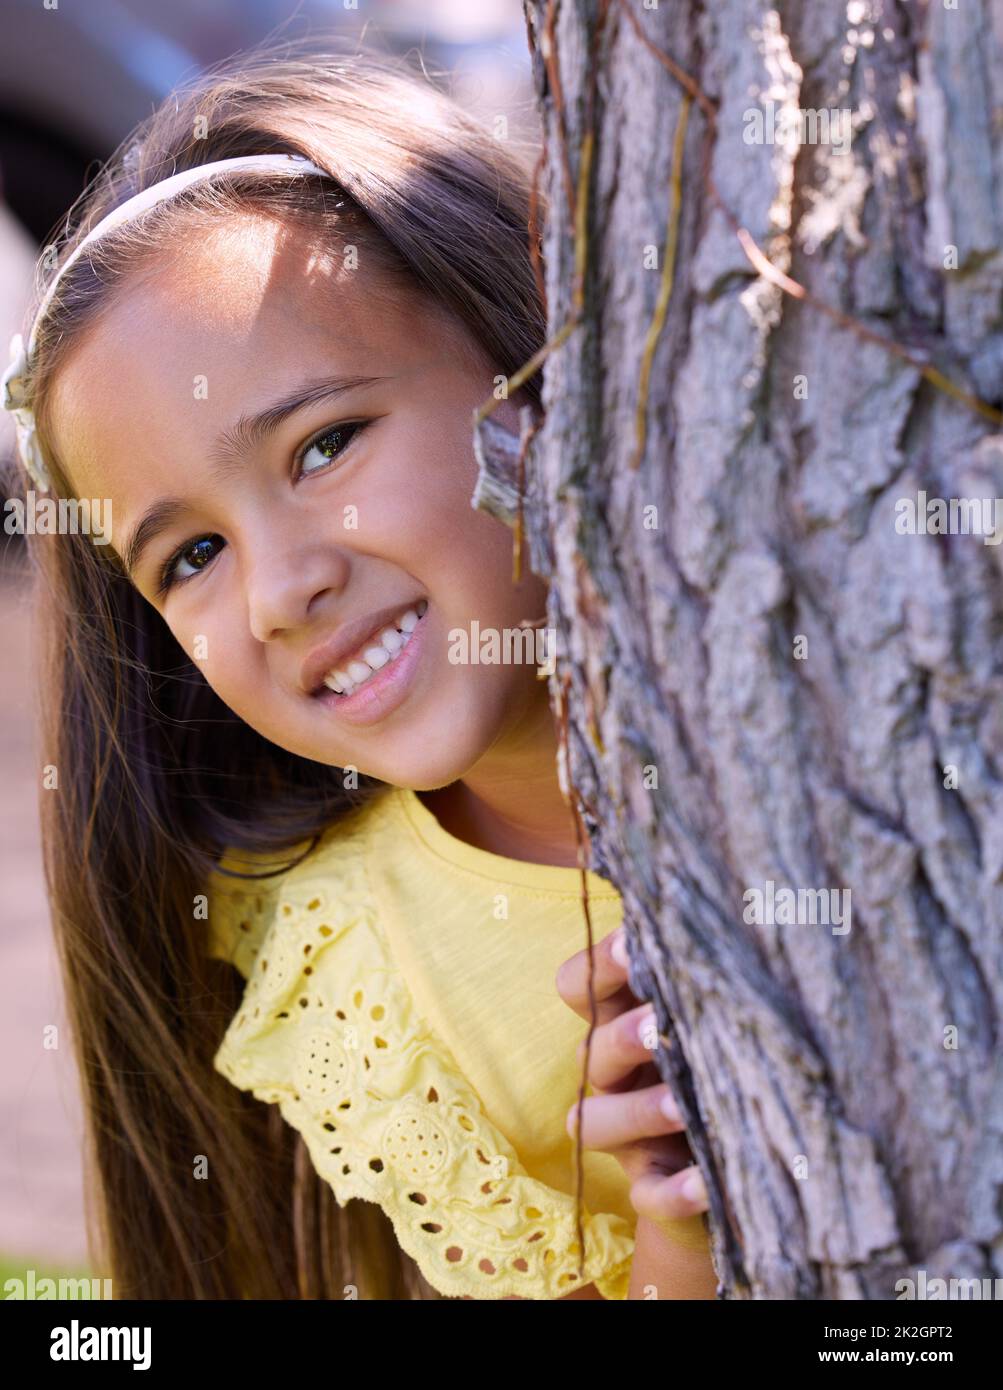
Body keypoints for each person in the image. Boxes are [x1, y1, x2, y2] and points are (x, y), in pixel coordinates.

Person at [3, 37, 715, 1300]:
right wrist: (678, 1253)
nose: (282, 591)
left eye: (325, 443)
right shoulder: (364, 975)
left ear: (529, 355)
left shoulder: (856, 695)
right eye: (194, 554)